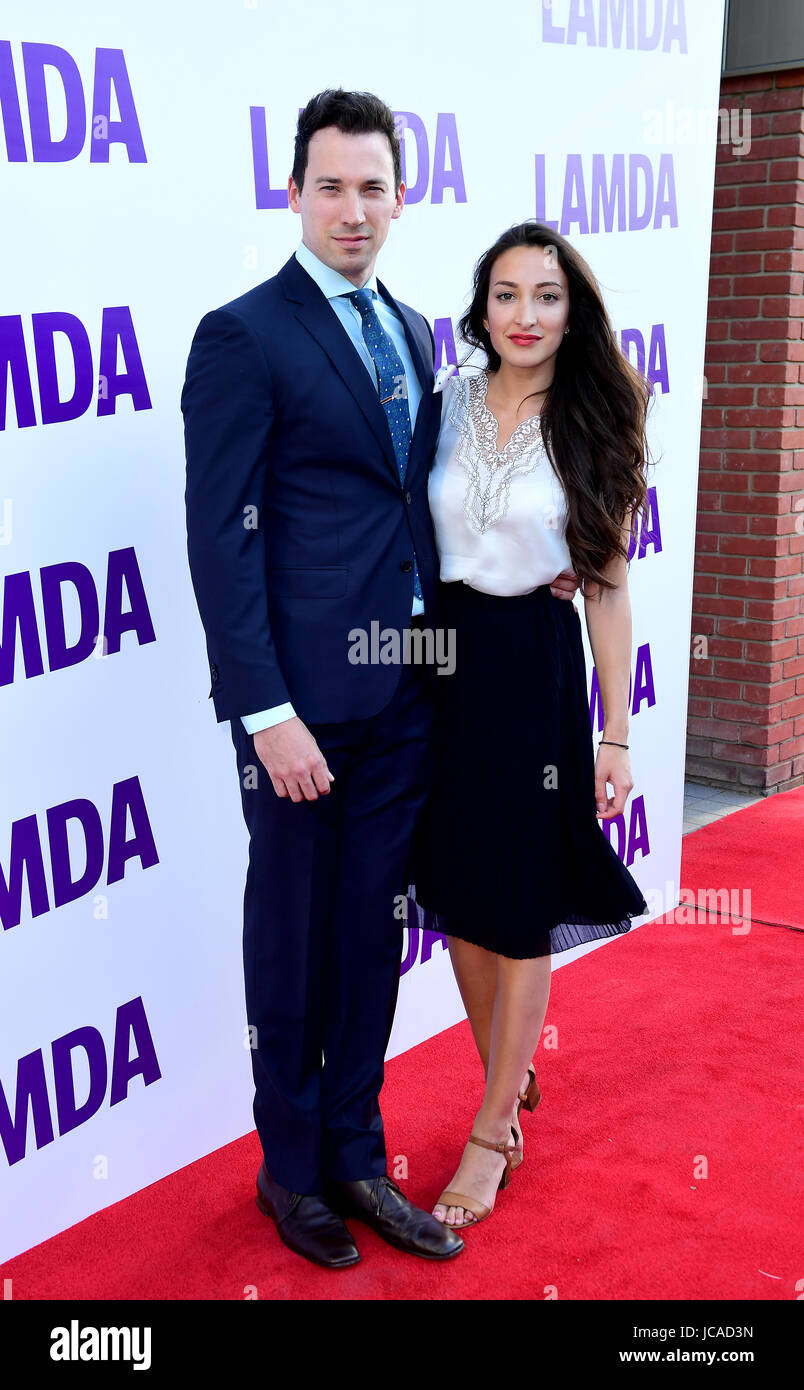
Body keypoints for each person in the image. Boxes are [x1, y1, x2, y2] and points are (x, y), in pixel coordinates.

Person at [182, 89, 583, 1269]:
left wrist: (539, 573)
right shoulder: (244, 334)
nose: (354, 208)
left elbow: (441, 506)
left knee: (369, 937)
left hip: (413, 692)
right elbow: (221, 538)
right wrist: (265, 712)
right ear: (294, 193)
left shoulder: (417, 336)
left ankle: (357, 1156)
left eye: (374, 187)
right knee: (295, 943)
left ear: (401, 197)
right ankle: (289, 1171)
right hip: (301, 713)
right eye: (332, 185)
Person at [409, 220, 652, 1229]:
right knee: (455, 891)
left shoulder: (594, 417)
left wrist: (615, 734)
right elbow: (405, 537)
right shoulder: (446, 404)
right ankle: (504, 1071)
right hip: (439, 661)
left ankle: (492, 1127)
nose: (525, 315)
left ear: (572, 310)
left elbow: (605, 587)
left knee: (518, 896)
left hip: (531, 667)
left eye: (546, 297)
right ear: (483, 306)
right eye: (507, 295)